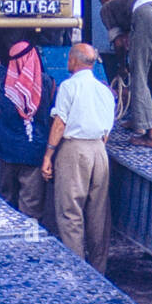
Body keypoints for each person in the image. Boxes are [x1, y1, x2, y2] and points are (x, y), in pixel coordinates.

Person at [40, 42, 115, 272]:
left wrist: (48, 155)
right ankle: (98, 271)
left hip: (75, 150)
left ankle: (77, 272)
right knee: (98, 214)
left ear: (73, 60)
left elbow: (60, 123)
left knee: (70, 212)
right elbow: (107, 130)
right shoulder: (104, 90)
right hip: (99, 151)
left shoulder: (68, 87)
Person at [0, 17, 55, 219]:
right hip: (34, 153)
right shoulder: (46, 84)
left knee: (8, 201)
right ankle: (29, 243)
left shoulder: (3, 79)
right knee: (31, 207)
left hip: (8, 151)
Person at [97, 0, 152, 148]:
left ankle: (151, 136)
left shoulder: (106, 9)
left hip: (147, 17)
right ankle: (140, 120)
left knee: (138, 74)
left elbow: (118, 43)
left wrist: (122, 66)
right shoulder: (132, 0)